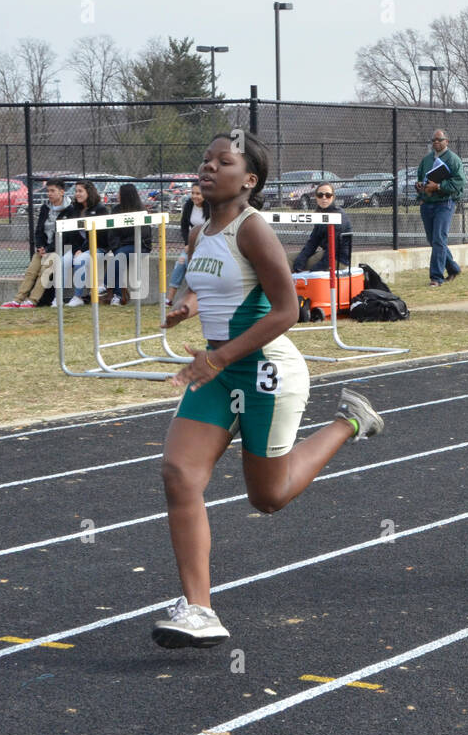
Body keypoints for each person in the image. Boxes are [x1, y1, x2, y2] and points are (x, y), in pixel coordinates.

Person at [153, 131, 386, 649]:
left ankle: (349, 421)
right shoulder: (200, 231)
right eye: (205, 159)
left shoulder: (253, 229)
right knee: (178, 472)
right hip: (217, 369)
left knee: (268, 497)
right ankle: (198, 609)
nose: (207, 167)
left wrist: (216, 357)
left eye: (223, 161)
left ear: (249, 180)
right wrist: (186, 307)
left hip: (266, 370)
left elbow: (288, 310)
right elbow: (205, 282)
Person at [1, 179, 71, 308]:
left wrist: (49, 249)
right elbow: (39, 230)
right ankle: (17, 300)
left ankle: (32, 300)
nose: (49, 194)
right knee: (31, 271)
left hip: (60, 249)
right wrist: (40, 247)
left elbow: (66, 235)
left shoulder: (70, 209)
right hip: (44, 249)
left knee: (44, 270)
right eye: (48, 191)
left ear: (62, 192)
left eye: (52, 191)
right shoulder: (45, 208)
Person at [416, 129, 465, 286]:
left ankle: (436, 277)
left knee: (439, 238)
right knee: (434, 239)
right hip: (428, 203)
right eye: (433, 140)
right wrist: (420, 188)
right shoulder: (427, 160)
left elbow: (458, 183)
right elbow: (420, 178)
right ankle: (453, 268)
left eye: (439, 139)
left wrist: (438, 186)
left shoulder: (453, 160)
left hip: (445, 203)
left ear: (446, 141)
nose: (436, 142)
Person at [101, 183, 153, 305]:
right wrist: (117, 247)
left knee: (120, 255)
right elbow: (112, 233)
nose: (117, 195)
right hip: (121, 248)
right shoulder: (116, 210)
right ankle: (117, 296)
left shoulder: (141, 211)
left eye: (119, 193)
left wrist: (122, 246)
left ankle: (106, 285)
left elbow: (143, 235)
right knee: (119, 257)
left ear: (126, 195)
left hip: (140, 246)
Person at [61, 181, 110, 306]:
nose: (77, 194)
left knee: (80, 260)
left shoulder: (100, 209)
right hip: (79, 249)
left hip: (98, 248)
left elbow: (101, 236)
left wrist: (82, 250)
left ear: (89, 192)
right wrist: (76, 249)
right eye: (76, 191)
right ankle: (57, 298)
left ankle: (78, 297)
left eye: (80, 191)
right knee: (63, 261)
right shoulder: (75, 210)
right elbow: (72, 234)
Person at [291, 182, 353, 277]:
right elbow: (313, 242)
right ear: (316, 197)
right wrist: (301, 259)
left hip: (338, 259)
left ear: (333, 197)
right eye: (320, 195)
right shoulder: (320, 215)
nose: (324, 198)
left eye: (328, 195)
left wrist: (315, 269)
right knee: (286, 259)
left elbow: (334, 249)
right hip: (326, 254)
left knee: (287, 264)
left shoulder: (338, 216)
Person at [166, 182, 209, 304]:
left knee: (190, 263)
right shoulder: (189, 205)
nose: (194, 196)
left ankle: (195, 298)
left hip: (206, 245)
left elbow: (211, 229)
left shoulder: (211, 207)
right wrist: (187, 244)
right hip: (190, 244)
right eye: (193, 193)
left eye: (198, 193)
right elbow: (184, 226)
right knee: (181, 262)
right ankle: (168, 299)